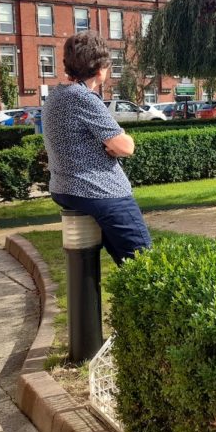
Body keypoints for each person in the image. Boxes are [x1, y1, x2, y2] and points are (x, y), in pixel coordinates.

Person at [42, 31, 151, 265]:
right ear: (100, 67)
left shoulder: (56, 95)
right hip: (100, 191)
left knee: (122, 262)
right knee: (142, 262)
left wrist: (109, 143)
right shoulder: (83, 97)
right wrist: (118, 142)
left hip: (66, 189)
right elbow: (124, 146)